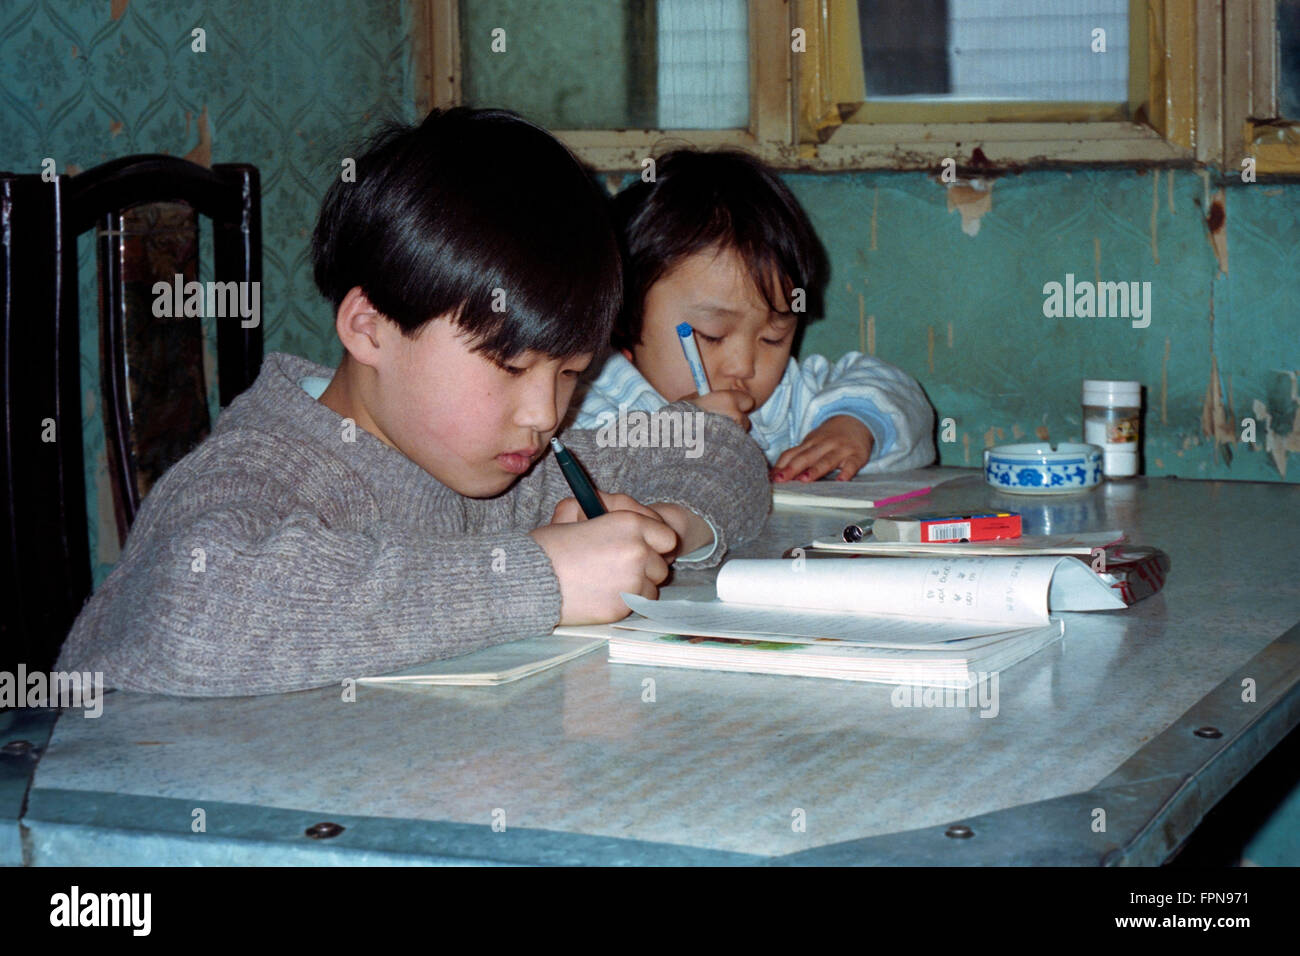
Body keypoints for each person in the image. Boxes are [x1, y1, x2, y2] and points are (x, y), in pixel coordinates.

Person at [55, 109, 770, 697]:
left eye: (569, 373)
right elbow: (194, 612)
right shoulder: (270, 467)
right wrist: (541, 576)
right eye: (511, 365)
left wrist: (668, 527)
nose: (545, 413)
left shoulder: (503, 454)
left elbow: (714, 444)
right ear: (369, 328)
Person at [572, 148, 935, 482]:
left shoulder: (787, 402)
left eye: (773, 338)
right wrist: (678, 432)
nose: (744, 366)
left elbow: (901, 396)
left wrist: (855, 424)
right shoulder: (585, 402)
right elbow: (574, 479)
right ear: (621, 313)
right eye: (712, 335)